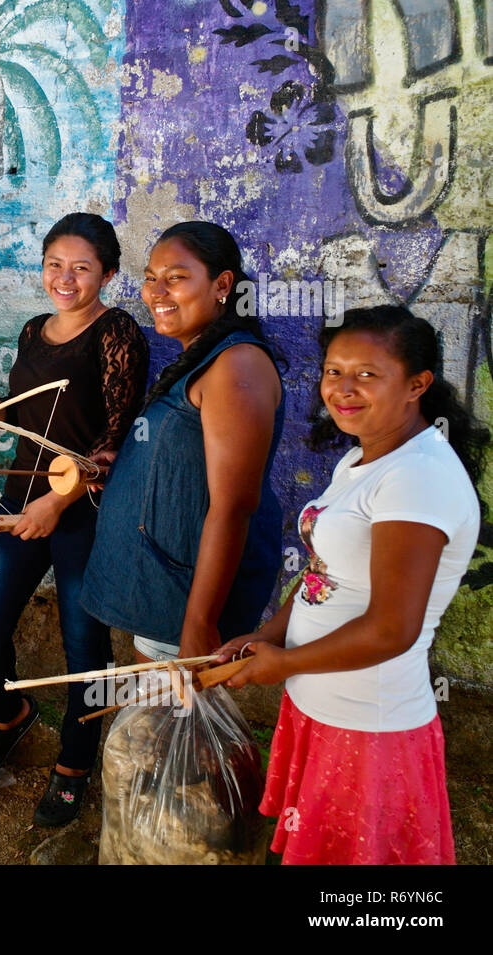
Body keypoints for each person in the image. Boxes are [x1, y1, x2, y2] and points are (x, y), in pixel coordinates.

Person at [217, 305, 486, 864]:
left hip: (368, 727)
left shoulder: (418, 478)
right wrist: (265, 636)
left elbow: (392, 629)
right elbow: (323, 574)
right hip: (323, 708)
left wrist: (281, 663)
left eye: (367, 373)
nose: (342, 388)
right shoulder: (366, 457)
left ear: (417, 385)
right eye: (334, 371)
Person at [0, 213, 148, 826]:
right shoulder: (34, 330)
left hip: (82, 510)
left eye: (82, 268)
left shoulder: (118, 333)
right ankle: (11, 715)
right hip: (19, 494)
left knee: (84, 646)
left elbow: (118, 441)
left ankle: (74, 763)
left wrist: (59, 501)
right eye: (54, 265)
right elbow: (32, 410)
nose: (65, 278)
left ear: (109, 274)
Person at [81, 221, 285, 662]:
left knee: (172, 727)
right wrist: (127, 467)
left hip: (188, 604)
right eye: (151, 277)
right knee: (162, 728)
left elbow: (234, 506)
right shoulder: (206, 359)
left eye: (175, 278)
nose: (156, 291)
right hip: (168, 593)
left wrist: (200, 622)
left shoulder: (238, 366)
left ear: (222, 285)